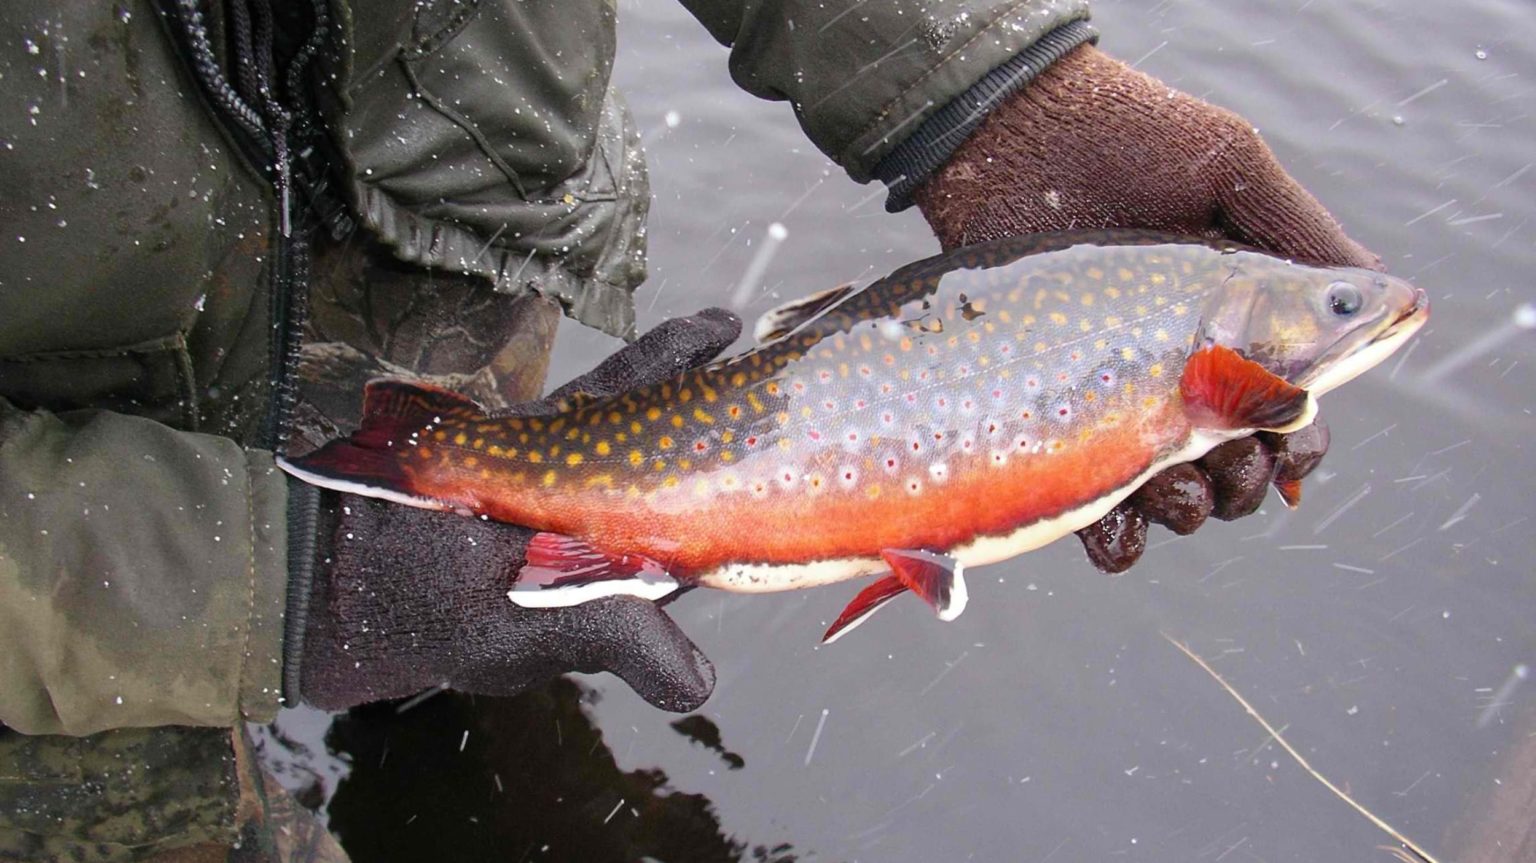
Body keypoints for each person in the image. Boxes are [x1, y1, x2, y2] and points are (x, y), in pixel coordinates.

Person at [0, 0, 1360, 859]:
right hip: (50, 529)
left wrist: (972, 72)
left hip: (442, 265)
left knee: (471, 614)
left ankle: (420, 684)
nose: (1381, 310)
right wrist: (275, 583)